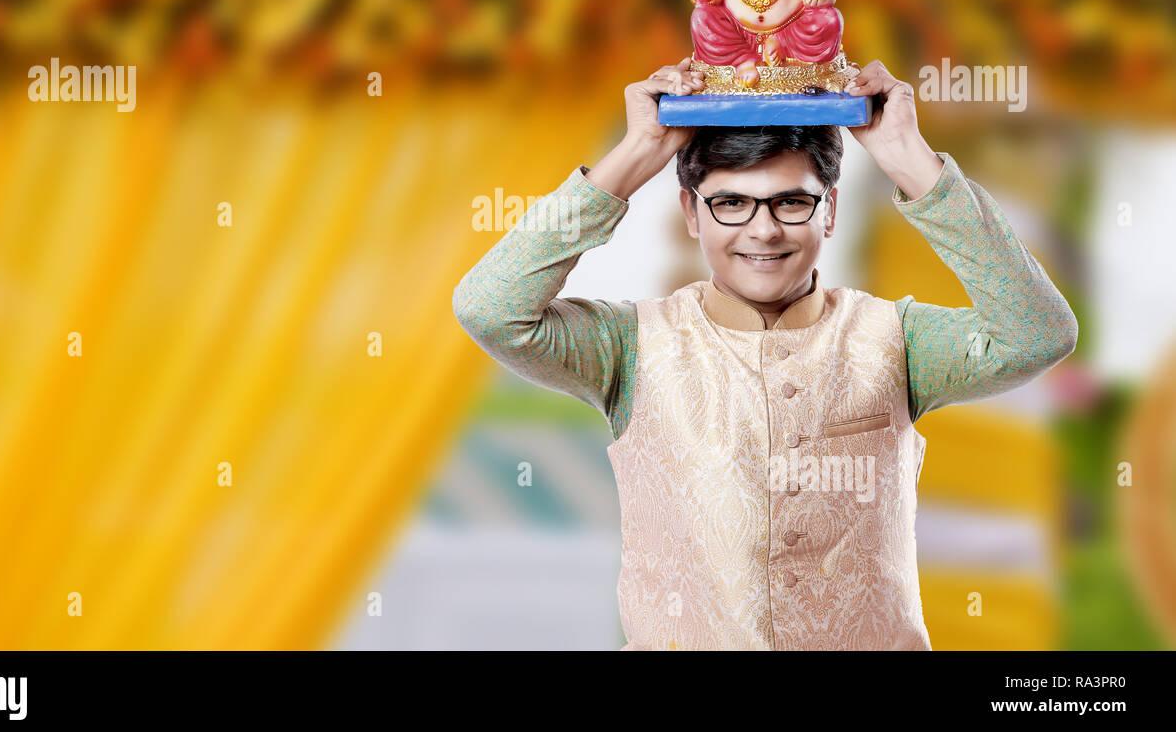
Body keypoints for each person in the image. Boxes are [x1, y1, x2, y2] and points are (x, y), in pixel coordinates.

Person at [451, 57, 1078, 650]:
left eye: (791, 201)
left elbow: (1038, 333)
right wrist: (634, 156)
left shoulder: (897, 341)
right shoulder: (631, 347)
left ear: (829, 210)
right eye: (730, 203)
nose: (763, 229)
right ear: (690, 214)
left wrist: (908, 158)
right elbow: (490, 308)